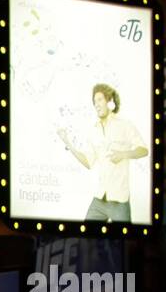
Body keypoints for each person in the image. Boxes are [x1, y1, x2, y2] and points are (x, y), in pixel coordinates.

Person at [56, 83, 148, 222]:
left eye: (99, 100)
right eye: (94, 102)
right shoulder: (93, 130)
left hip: (119, 202)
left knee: (124, 242)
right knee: (86, 237)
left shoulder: (125, 124)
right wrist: (68, 143)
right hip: (99, 200)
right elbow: (88, 162)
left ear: (109, 100)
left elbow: (143, 150)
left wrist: (123, 154)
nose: (96, 104)